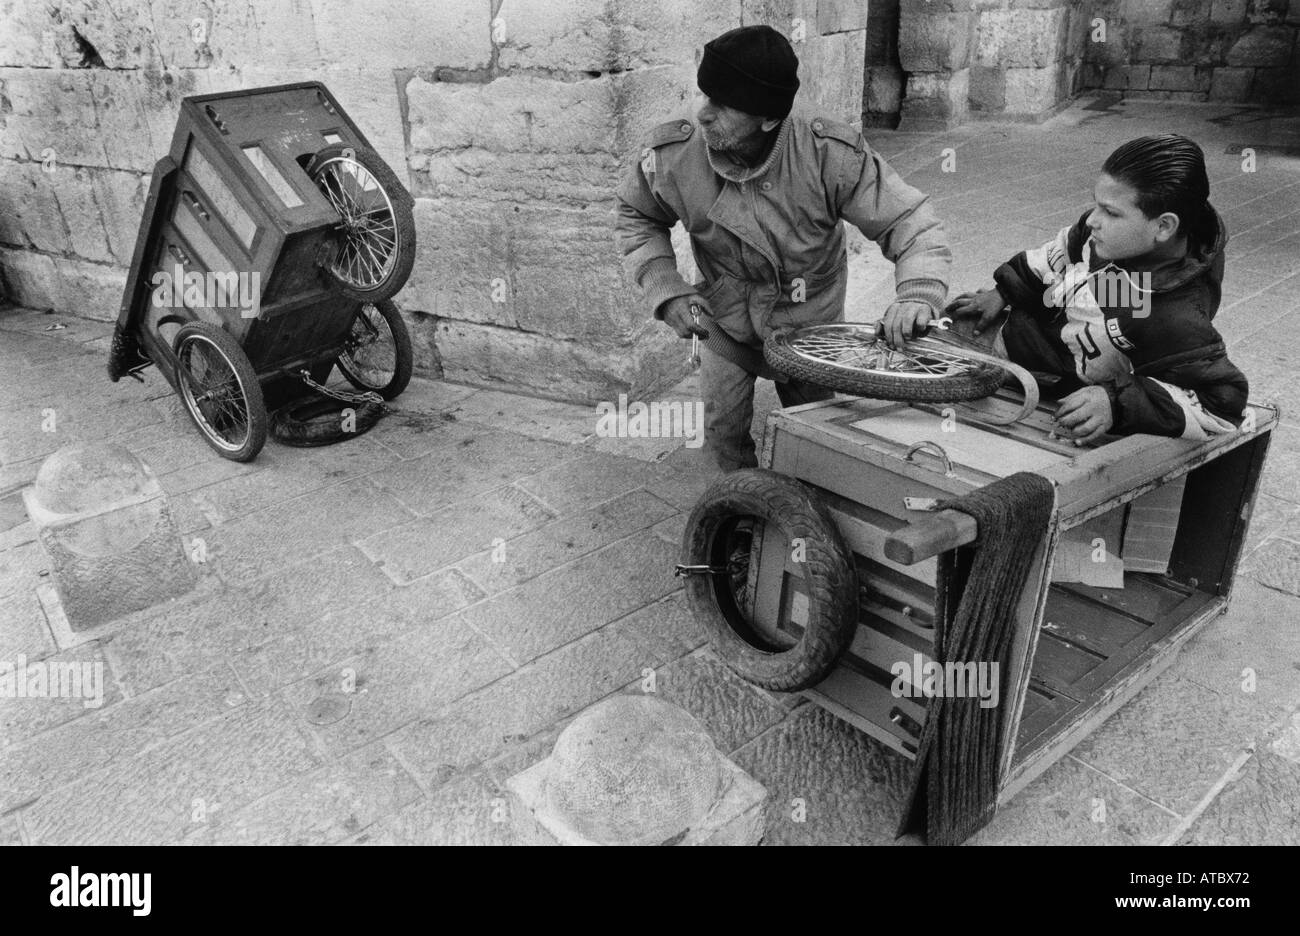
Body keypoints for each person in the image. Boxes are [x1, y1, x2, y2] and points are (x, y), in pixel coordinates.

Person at [614, 24, 951, 471]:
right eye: (704, 94)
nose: (703, 113)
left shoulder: (829, 151)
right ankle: (738, 509)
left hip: (808, 318)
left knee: (811, 427)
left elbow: (911, 222)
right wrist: (667, 289)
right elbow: (637, 216)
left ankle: (800, 509)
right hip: (725, 315)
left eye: (723, 104)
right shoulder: (675, 152)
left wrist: (916, 294)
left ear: (769, 119)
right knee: (723, 425)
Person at [947, 133, 1248, 444]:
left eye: (1112, 212)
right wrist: (1005, 291)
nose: (1092, 219)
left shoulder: (1174, 317)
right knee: (943, 325)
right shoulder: (1109, 237)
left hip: (1071, 385)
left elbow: (1219, 405)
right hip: (1035, 338)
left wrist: (1115, 403)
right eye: (1096, 205)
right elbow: (1061, 252)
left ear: (1164, 226)